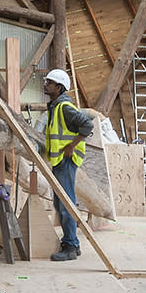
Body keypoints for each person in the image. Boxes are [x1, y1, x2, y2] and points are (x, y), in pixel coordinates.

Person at [40, 68, 94, 261]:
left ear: (59, 87)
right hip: (59, 160)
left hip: (66, 160)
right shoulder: (55, 106)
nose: (45, 85)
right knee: (60, 202)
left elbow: (87, 126)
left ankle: (70, 246)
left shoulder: (65, 108)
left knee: (65, 203)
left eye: (49, 83)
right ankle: (72, 243)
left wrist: (71, 146)